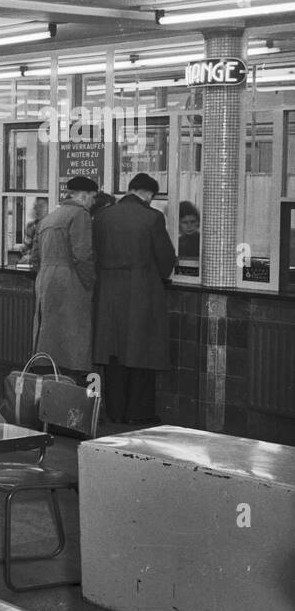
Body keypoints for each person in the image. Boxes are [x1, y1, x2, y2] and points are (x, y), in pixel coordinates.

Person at [92, 173, 176, 426]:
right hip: (142, 293)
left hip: (108, 295)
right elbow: (165, 259)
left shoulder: (103, 216)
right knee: (142, 353)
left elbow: (94, 252)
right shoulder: (152, 217)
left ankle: (115, 412)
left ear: (130, 190)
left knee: (113, 355)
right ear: (149, 194)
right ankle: (138, 413)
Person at [31, 177, 98, 376]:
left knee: (48, 337)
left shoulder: (49, 217)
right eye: (93, 198)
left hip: (45, 280)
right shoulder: (80, 215)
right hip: (71, 282)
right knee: (73, 340)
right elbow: (82, 255)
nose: (93, 203)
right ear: (84, 195)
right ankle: (70, 389)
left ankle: (49, 379)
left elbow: (35, 257)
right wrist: (91, 282)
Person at [19, 198, 49, 267]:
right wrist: (27, 253)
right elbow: (26, 247)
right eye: (36, 206)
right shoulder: (31, 226)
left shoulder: (51, 227)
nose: (38, 209)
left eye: (41, 206)